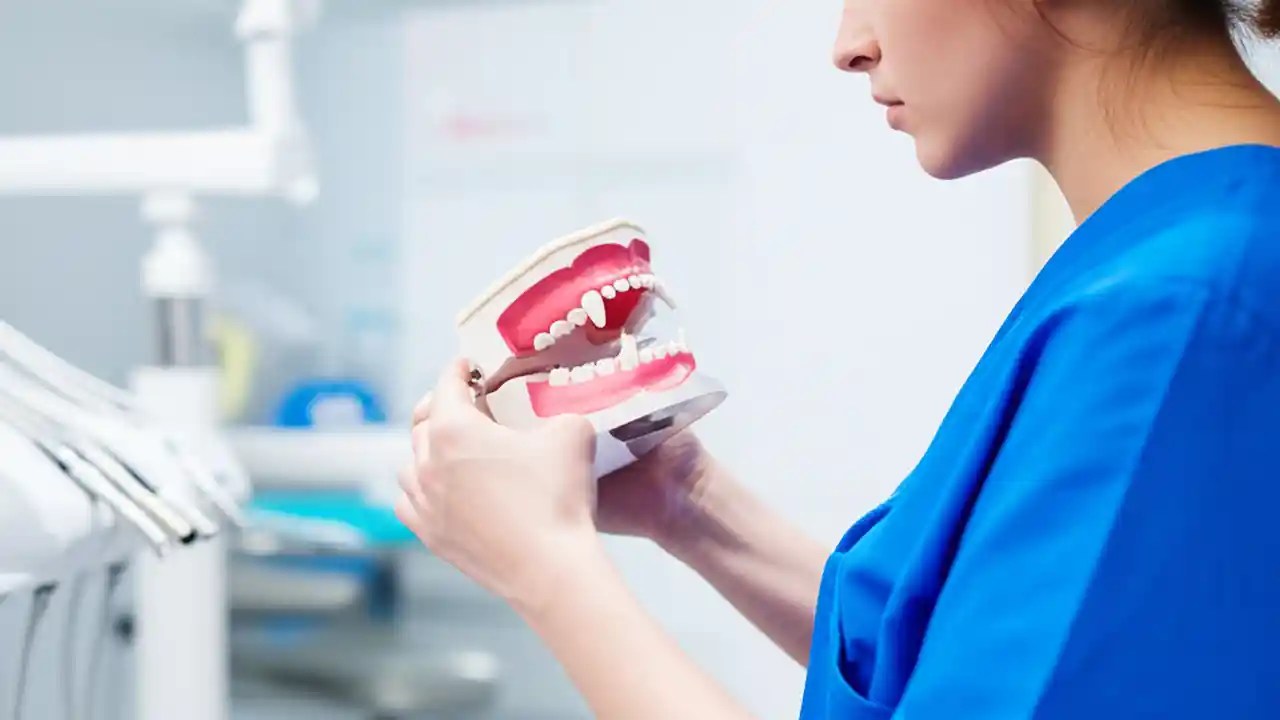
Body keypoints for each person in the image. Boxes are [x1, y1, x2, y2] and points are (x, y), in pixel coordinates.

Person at [397, 0, 1280, 717]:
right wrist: (686, 504)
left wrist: (547, 568)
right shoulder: (1175, 261)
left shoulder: (1183, 309)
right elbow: (946, 658)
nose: (847, 45)